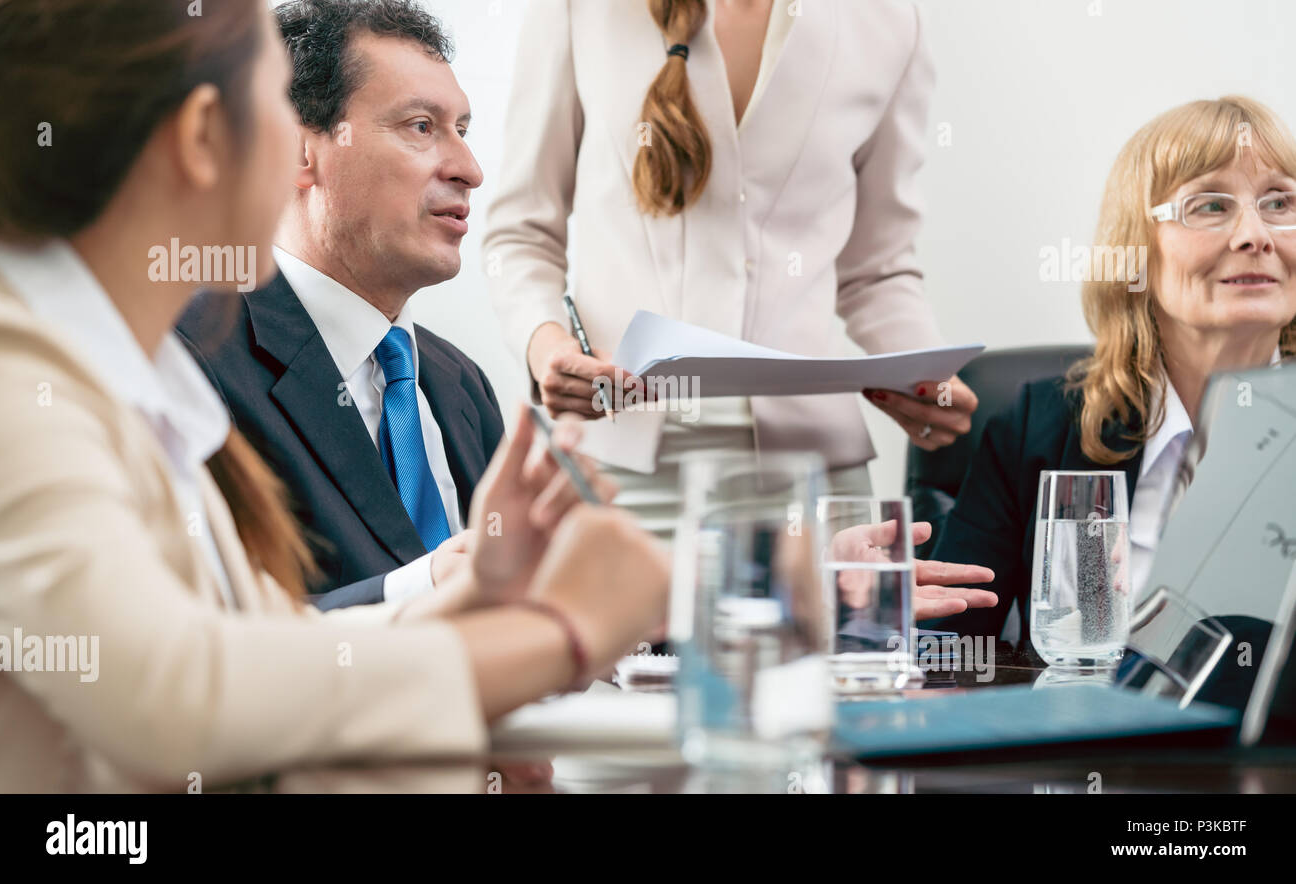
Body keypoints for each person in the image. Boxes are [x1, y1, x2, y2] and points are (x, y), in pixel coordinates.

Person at [0, 0, 667, 792]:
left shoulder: (132, 381)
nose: (469, 169)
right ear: (206, 135)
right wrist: (563, 634)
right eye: (274, 100)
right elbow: (179, 698)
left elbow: (264, 649)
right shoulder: (23, 377)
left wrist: (475, 592)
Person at [483, 0, 978, 538]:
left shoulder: (887, 21)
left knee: (845, 624)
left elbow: (877, 271)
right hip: (617, 469)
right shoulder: (580, 9)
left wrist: (926, 377)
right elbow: (522, 232)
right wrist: (547, 348)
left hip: (810, 478)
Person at [926, 96, 1296, 643]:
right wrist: (865, 611)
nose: (1255, 235)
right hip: (1087, 726)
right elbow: (944, 650)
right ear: (1137, 251)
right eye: (1211, 206)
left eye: (1280, 203)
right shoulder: (1040, 424)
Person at [179, 0, 499, 610]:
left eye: (463, 129)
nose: (469, 169)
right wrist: (426, 587)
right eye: (421, 127)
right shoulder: (194, 355)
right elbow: (206, 643)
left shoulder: (462, 385)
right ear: (298, 152)